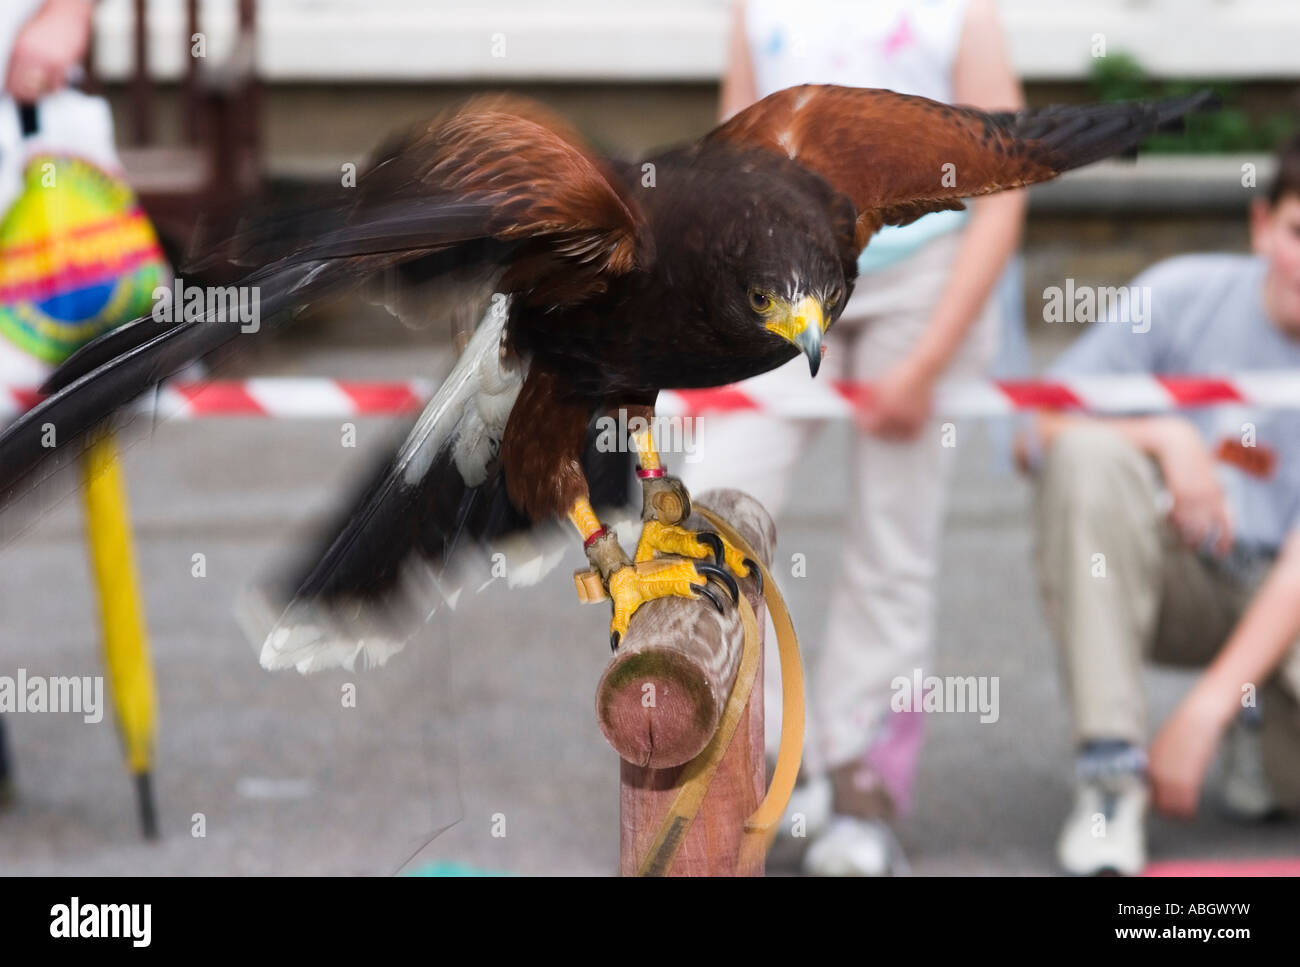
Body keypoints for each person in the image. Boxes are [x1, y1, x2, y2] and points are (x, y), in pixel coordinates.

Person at [683, 0, 1026, 875]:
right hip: (784, 275)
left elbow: (1006, 186)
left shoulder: (966, 14)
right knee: (710, 519)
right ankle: (722, 771)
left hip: (928, 280)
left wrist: (930, 361)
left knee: (894, 541)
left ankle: (859, 785)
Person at [1020, 133, 1300, 875]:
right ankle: (1110, 771)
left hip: (1287, 603)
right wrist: (1164, 436)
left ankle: (1253, 723)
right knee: (1086, 454)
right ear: (1263, 224)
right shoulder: (1179, 294)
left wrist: (1206, 708)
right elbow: (1034, 430)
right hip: (1188, 576)